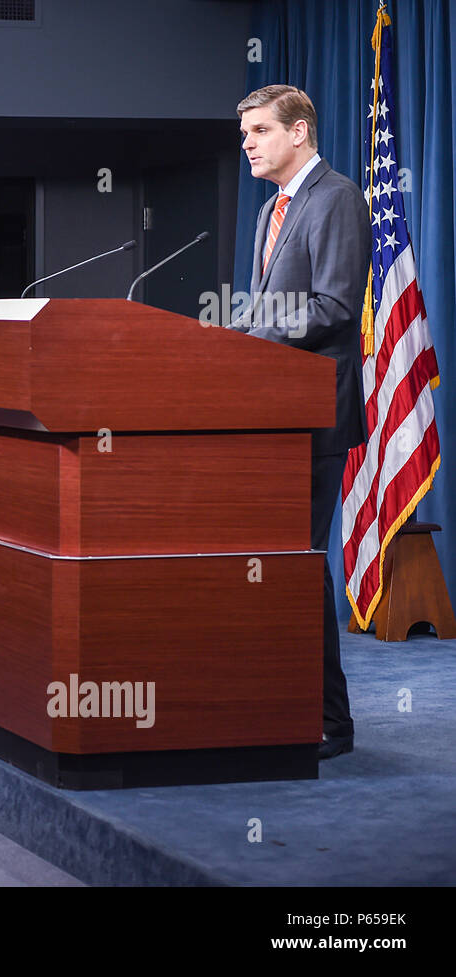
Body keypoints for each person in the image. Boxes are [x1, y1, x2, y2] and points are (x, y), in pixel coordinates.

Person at [227, 84, 369, 761]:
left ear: (299, 131)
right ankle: (282, 706)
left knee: (301, 564)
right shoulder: (269, 213)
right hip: (270, 417)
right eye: (245, 132)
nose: (248, 143)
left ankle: (329, 723)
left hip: (315, 414)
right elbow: (273, 310)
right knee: (280, 565)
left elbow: (335, 306)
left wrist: (252, 339)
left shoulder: (336, 198)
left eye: (258, 130)